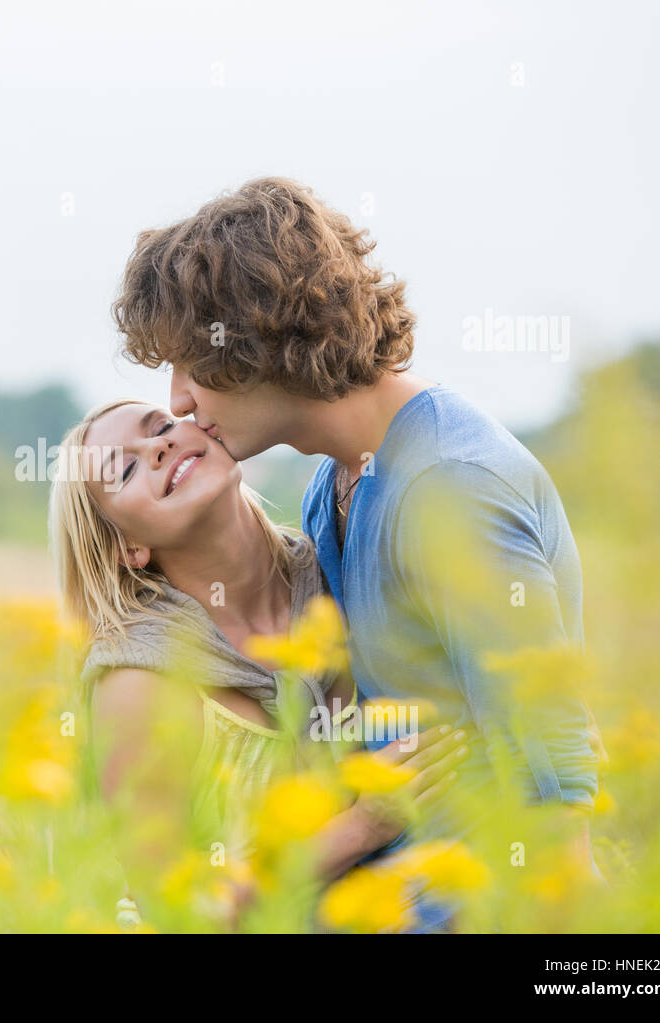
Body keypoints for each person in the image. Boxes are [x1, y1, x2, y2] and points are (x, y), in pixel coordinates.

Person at [109, 178, 604, 920]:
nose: (178, 400)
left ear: (257, 334)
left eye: (190, 361)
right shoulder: (329, 489)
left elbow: (555, 794)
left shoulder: (450, 486)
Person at [49, 397, 469, 930]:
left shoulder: (339, 572)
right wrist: (362, 827)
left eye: (160, 426)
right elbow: (174, 910)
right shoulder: (139, 682)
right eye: (126, 467)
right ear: (125, 547)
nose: (158, 446)